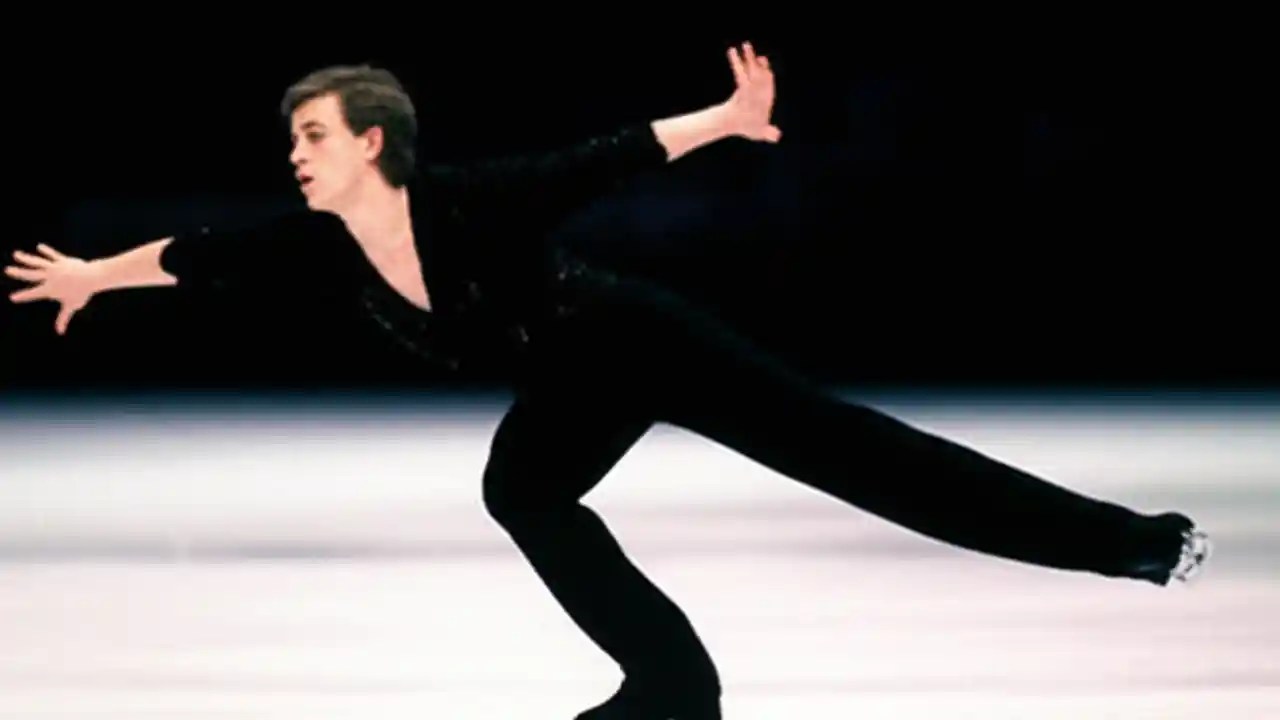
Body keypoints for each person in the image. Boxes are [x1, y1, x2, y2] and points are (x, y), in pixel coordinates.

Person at [5, 44, 1210, 720]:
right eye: (293, 142)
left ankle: (1134, 543)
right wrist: (91, 279)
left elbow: (610, 156)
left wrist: (730, 118)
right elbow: (189, 257)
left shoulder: (468, 199)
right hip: (569, 385)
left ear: (373, 140)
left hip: (634, 339)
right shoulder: (312, 244)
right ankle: (670, 686)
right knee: (522, 487)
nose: (295, 156)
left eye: (311, 136)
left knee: (853, 455)